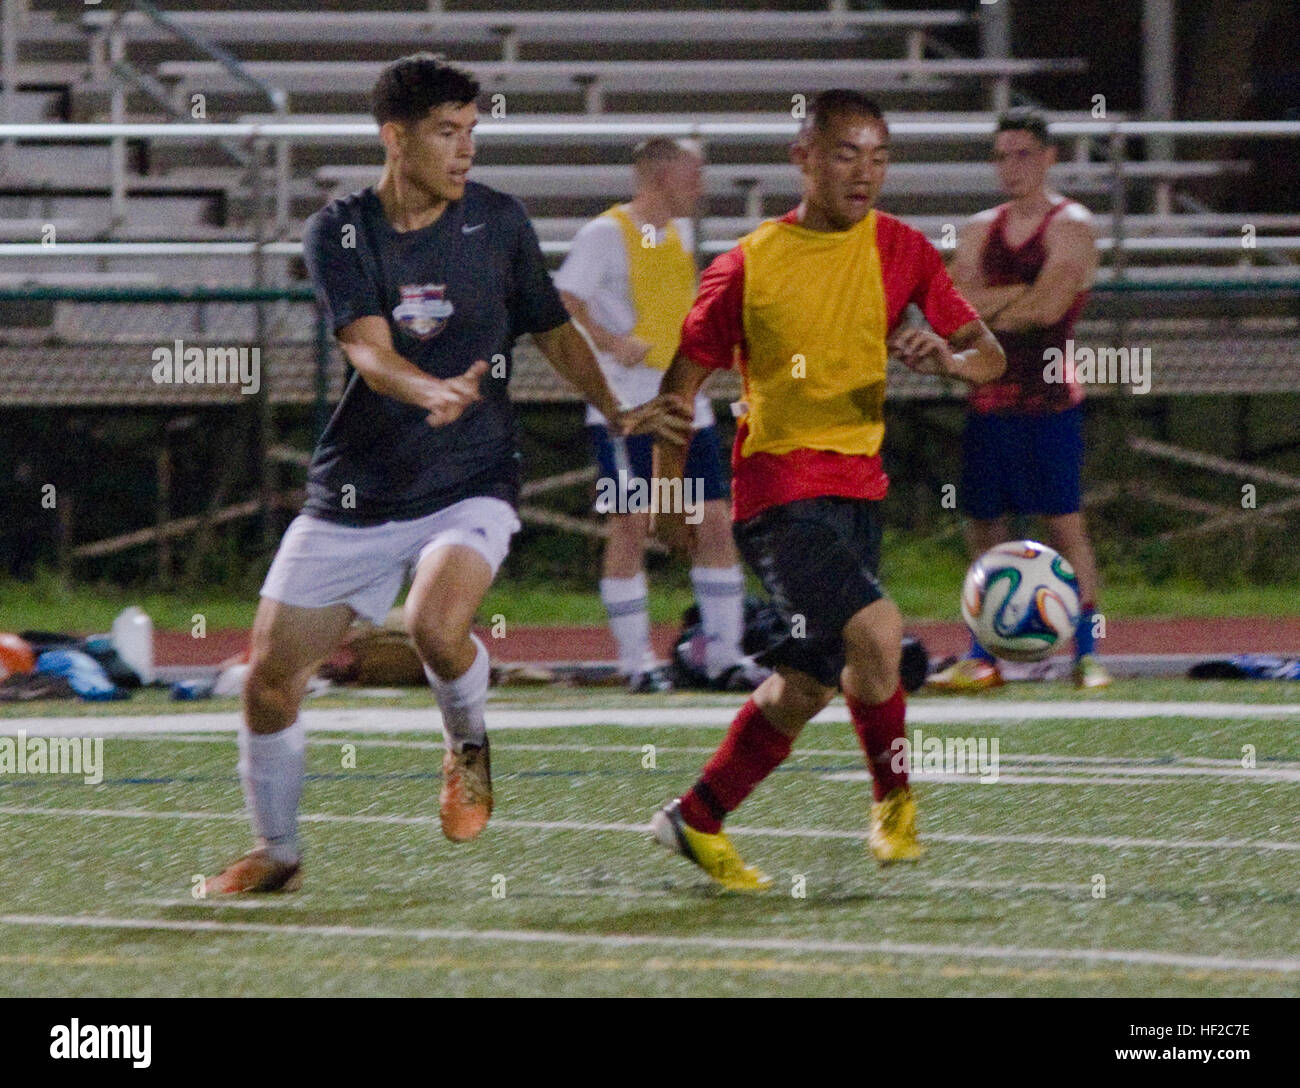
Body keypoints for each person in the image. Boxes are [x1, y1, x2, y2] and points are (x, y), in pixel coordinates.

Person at [206, 54, 690, 894]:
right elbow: (365, 346)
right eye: (446, 133)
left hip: (472, 478)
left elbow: (552, 330)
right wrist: (429, 386)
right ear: (396, 139)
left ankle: (467, 745)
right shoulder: (341, 230)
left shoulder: (499, 223)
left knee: (435, 623)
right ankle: (277, 852)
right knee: (269, 681)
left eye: (472, 132)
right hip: (359, 486)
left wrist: (616, 408)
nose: (465, 151)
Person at [648, 90, 1005, 891]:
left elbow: (990, 355)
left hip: (858, 491)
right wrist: (666, 495)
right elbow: (682, 384)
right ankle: (897, 806)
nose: (865, 174)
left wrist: (949, 360)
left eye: (879, 158)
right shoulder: (747, 263)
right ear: (803, 158)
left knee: (810, 681)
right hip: (777, 493)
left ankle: (697, 818)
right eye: (847, 154)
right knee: (879, 631)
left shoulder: (902, 249)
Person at [554, 138, 768, 693]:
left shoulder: (680, 235)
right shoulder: (605, 234)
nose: (700, 187)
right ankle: (636, 662)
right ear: (660, 175)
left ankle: (725, 656)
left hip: (683, 407)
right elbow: (561, 306)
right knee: (631, 524)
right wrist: (610, 342)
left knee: (714, 523)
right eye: (691, 175)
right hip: (629, 411)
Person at [930, 107, 1110, 692]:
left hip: (1048, 398)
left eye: (1024, 153)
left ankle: (1087, 654)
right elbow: (954, 308)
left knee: (1063, 524)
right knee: (984, 526)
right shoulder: (982, 226)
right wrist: (1014, 297)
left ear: (1050, 156)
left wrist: (993, 301)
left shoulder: (1071, 224)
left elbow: (1047, 309)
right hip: (988, 398)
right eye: (1002, 155)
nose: (1012, 166)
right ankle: (986, 654)